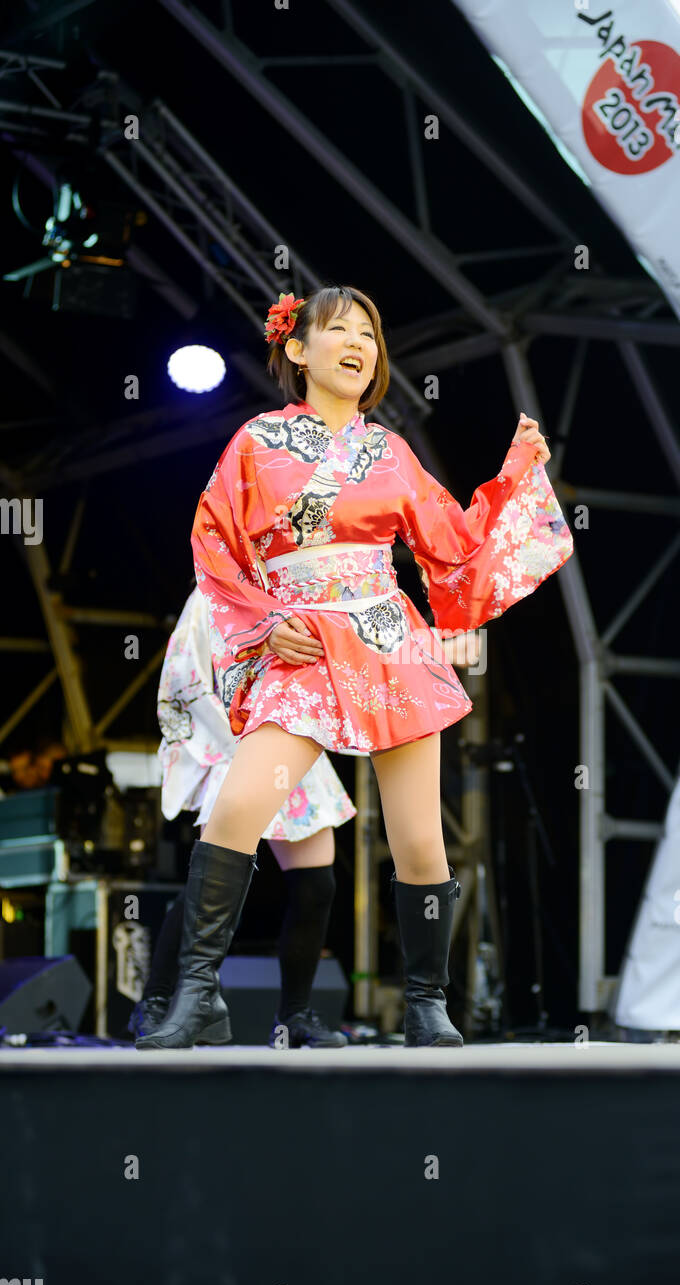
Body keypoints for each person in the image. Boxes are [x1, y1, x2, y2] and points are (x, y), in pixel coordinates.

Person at [137, 283, 573, 1051]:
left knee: (418, 840)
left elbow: (454, 547)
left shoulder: (391, 452)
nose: (358, 344)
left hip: (384, 638)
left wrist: (512, 477)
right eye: (338, 330)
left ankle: (426, 1002)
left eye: (368, 333)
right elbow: (214, 545)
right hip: (300, 644)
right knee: (240, 808)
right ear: (296, 352)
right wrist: (267, 625)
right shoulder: (256, 442)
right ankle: (196, 995)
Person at [131, 581, 355, 1047]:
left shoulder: (305, 577)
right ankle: (155, 1001)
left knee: (316, 884)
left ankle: (295, 1013)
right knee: (209, 881)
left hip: (294, 734)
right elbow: (186, 676)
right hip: (234, 742)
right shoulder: (215, 587)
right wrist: (227, 739)